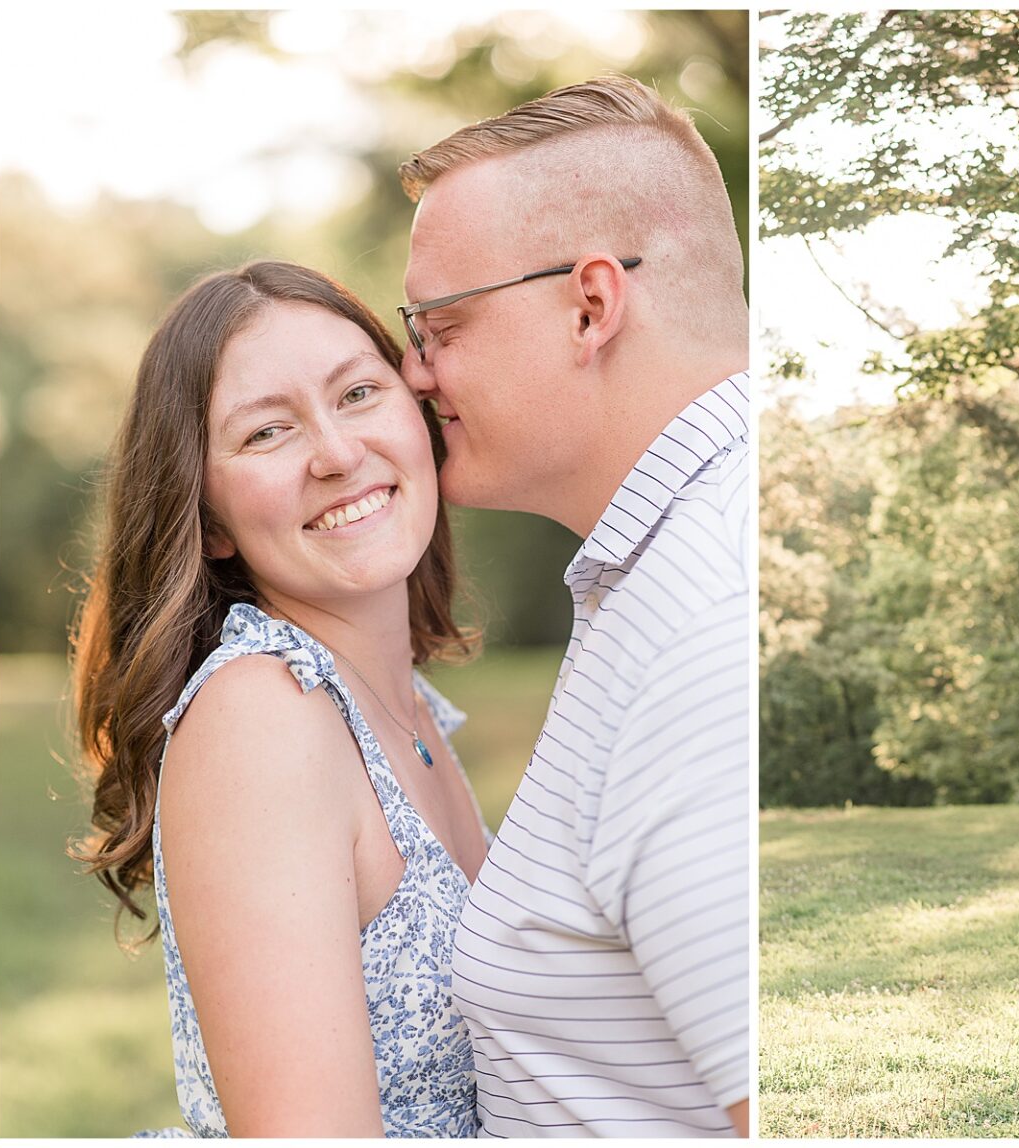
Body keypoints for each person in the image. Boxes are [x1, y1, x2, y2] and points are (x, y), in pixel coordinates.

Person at [397, 74, 750, 1137]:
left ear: (590, 306)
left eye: (438, 326)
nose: (413, 375)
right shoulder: (658, 571)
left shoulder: (709, 616)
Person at [71, 261, 490, 1136]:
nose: (336, 454)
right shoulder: (263, 718)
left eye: (359, 393)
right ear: (209, 522)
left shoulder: (402, 704)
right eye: (267, 433)